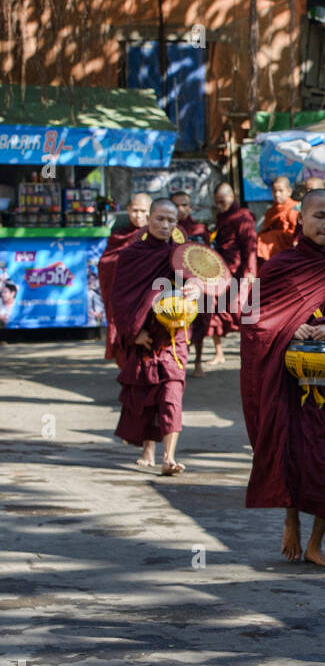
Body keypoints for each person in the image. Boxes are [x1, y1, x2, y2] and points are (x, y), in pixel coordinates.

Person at [242, 189, 325, 567]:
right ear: (301, 218)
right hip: (289, 379)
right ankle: (291, 520)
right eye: (319, 216)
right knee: (292, 452)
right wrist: (287, 327)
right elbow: (252, 317)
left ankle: (316, 542)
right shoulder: (280, 266)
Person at [110, 198, 198, 475]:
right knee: (148, 393)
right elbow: (120, 298)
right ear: (149, 219)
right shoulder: (131, 256)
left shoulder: (181, 255)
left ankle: (168, 457)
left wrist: (196, 287)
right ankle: (148, 447)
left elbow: (200, 276)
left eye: (171, 220)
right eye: (159, 218)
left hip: (172, 336)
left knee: (172, 393)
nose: (165, 224)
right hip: (145, 336)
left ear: (176, 224)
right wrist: (133, 332)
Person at [202, 183, 257, 375]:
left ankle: (248, 354)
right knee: (213, 312)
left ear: (232, 196)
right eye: (217, 202)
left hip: (239, 273)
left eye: (223, 201)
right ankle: (219, 353)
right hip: (218, 273)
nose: (220, 206)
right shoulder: (221, 218)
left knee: (242, 313)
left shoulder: (243, 216)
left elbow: (250, 245)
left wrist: (250, 272)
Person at [97, 192, 152, 359]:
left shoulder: (155, 236)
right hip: (123, 296)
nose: (139, 215)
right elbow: (105, 264)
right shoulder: (119, 236)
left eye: (143, 211)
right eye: (135, 210)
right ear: (128, 210)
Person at [258, 176, 300, 261]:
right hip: (272, 247)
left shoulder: (295, 208)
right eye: (274, 191)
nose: (277, 194)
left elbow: (296, 234)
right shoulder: (271, 211)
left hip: (288, 247)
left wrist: (274, 235)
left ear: (289, 192)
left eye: (281, 191)